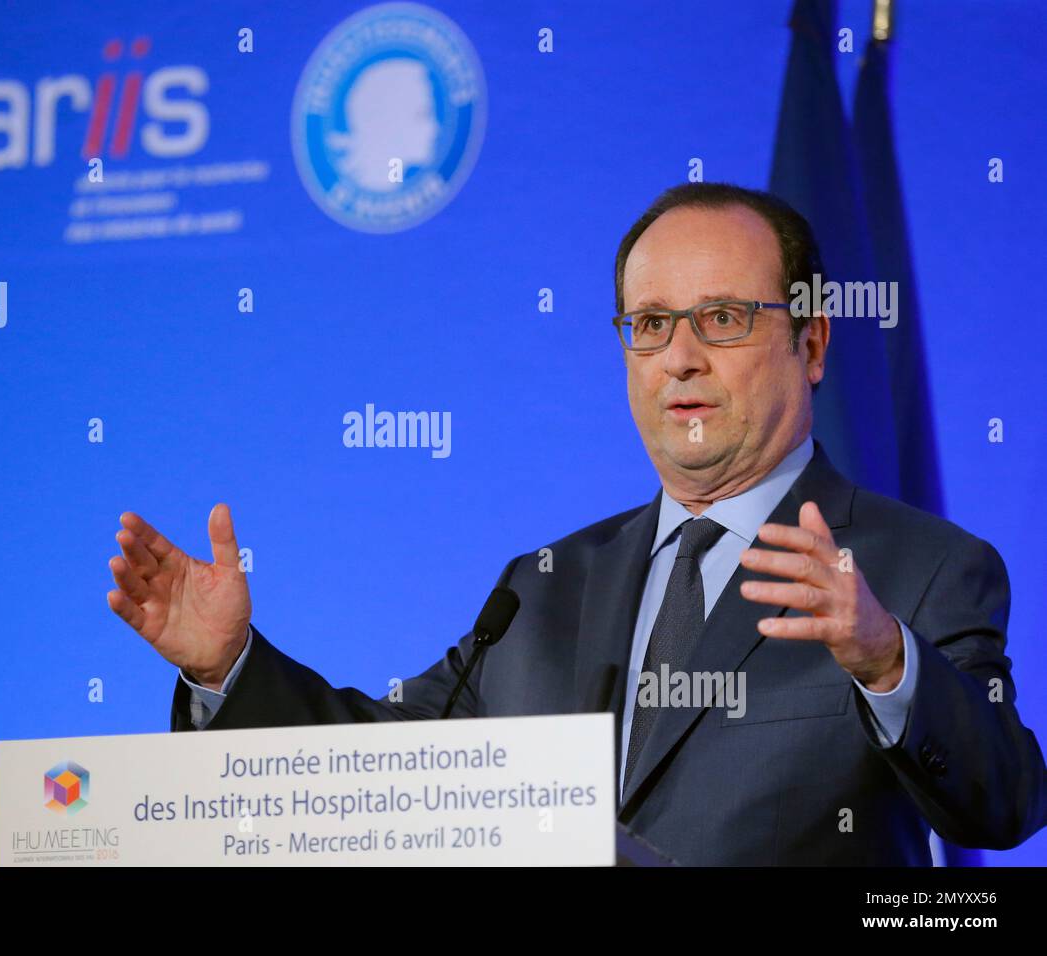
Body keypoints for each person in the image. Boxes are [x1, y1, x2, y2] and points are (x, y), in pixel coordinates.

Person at [106, 182, 1047, 865]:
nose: (678, 359)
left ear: (812, 341)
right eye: (647, 325)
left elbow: (1003, 801)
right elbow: (381, 769)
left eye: (720, 319)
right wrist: (226, 668)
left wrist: (887, 661)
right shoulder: (543, 584)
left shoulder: (921, 568)